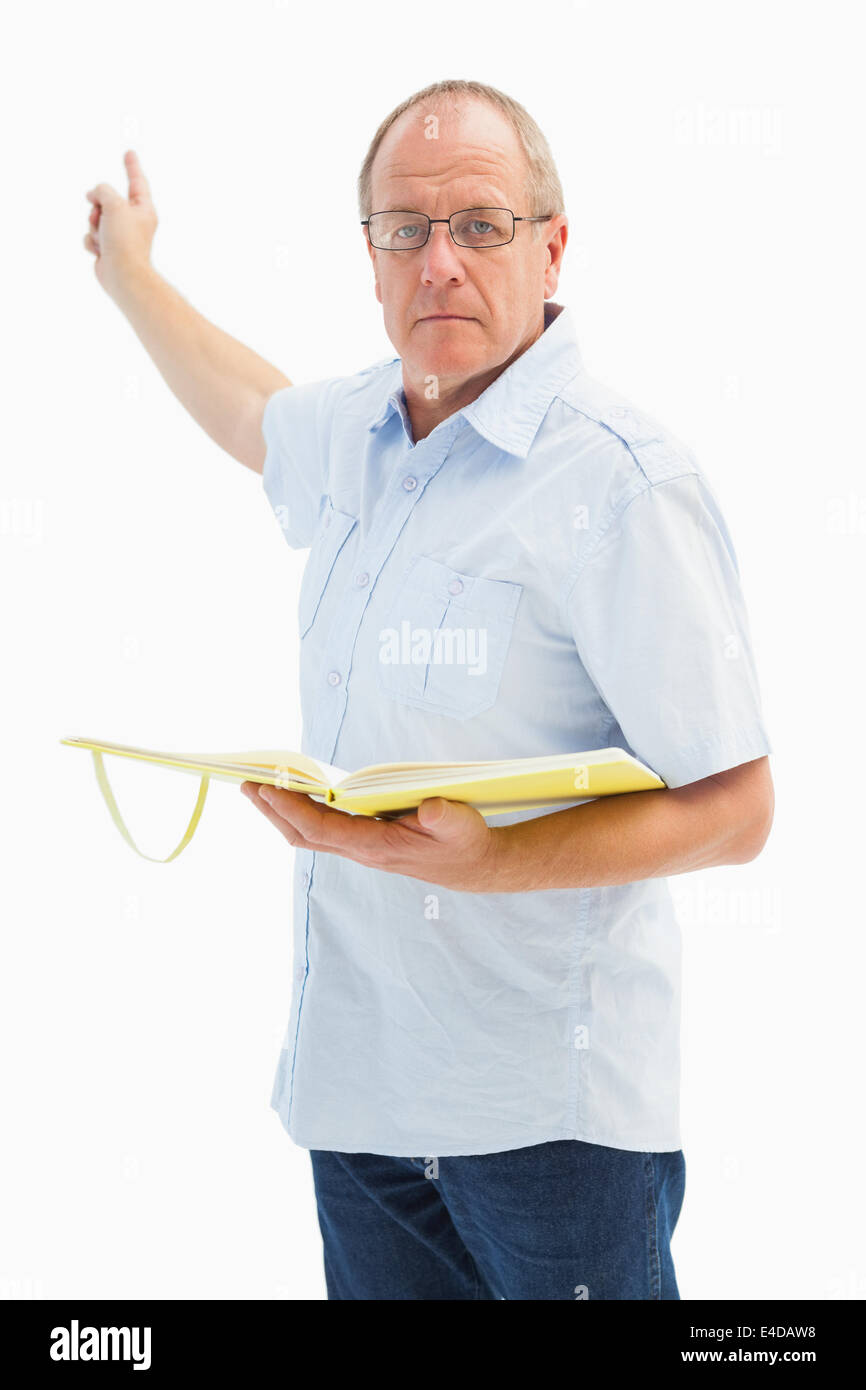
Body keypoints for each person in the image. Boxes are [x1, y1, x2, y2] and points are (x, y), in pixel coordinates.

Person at [84, 79, 774, 1301]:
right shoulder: (359, 428)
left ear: (551, 245)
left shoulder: (620, 484)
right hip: (357, 1102)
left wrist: (491, 863)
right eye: (404, 229)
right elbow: (251, 406)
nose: (438, 261)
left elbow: (735, 809)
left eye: (479, 225)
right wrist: (129, 269)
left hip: (548, 1129)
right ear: (369, 255)